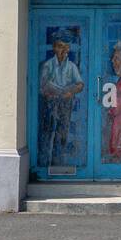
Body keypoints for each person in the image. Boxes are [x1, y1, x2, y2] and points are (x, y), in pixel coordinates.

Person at [39, 33, 84, 166]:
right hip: (50, 104)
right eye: (60, 46)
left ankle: (57, 163)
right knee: (47, 133)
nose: (63, 50)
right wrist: (48, 92)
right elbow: (42, 86)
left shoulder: (71, 67)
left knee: (62, 134)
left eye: (66, 47)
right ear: (54, 48)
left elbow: (80, 84)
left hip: (65, 103)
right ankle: (43, 164)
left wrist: (71, 91)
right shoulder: (48, 65)